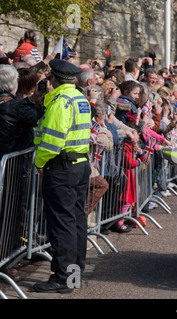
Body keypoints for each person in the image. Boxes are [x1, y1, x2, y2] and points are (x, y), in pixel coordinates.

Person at [32, 59, 91, 294]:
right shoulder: (79, 98)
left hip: (61, 168)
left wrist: (39, 162)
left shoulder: (61, 101)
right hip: (79, 165)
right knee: (76, 221)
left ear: (53, 78)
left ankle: (63, 277)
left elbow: (52, 140)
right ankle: (75, 275)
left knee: (62, 224)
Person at [0, 64, 42, 159]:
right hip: (10, 163)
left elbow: (11, 108)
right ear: (14, 83)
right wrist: (42, 101)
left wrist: (31, 99)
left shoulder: (15, 105)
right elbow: (36, 118)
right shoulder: (17, 106)